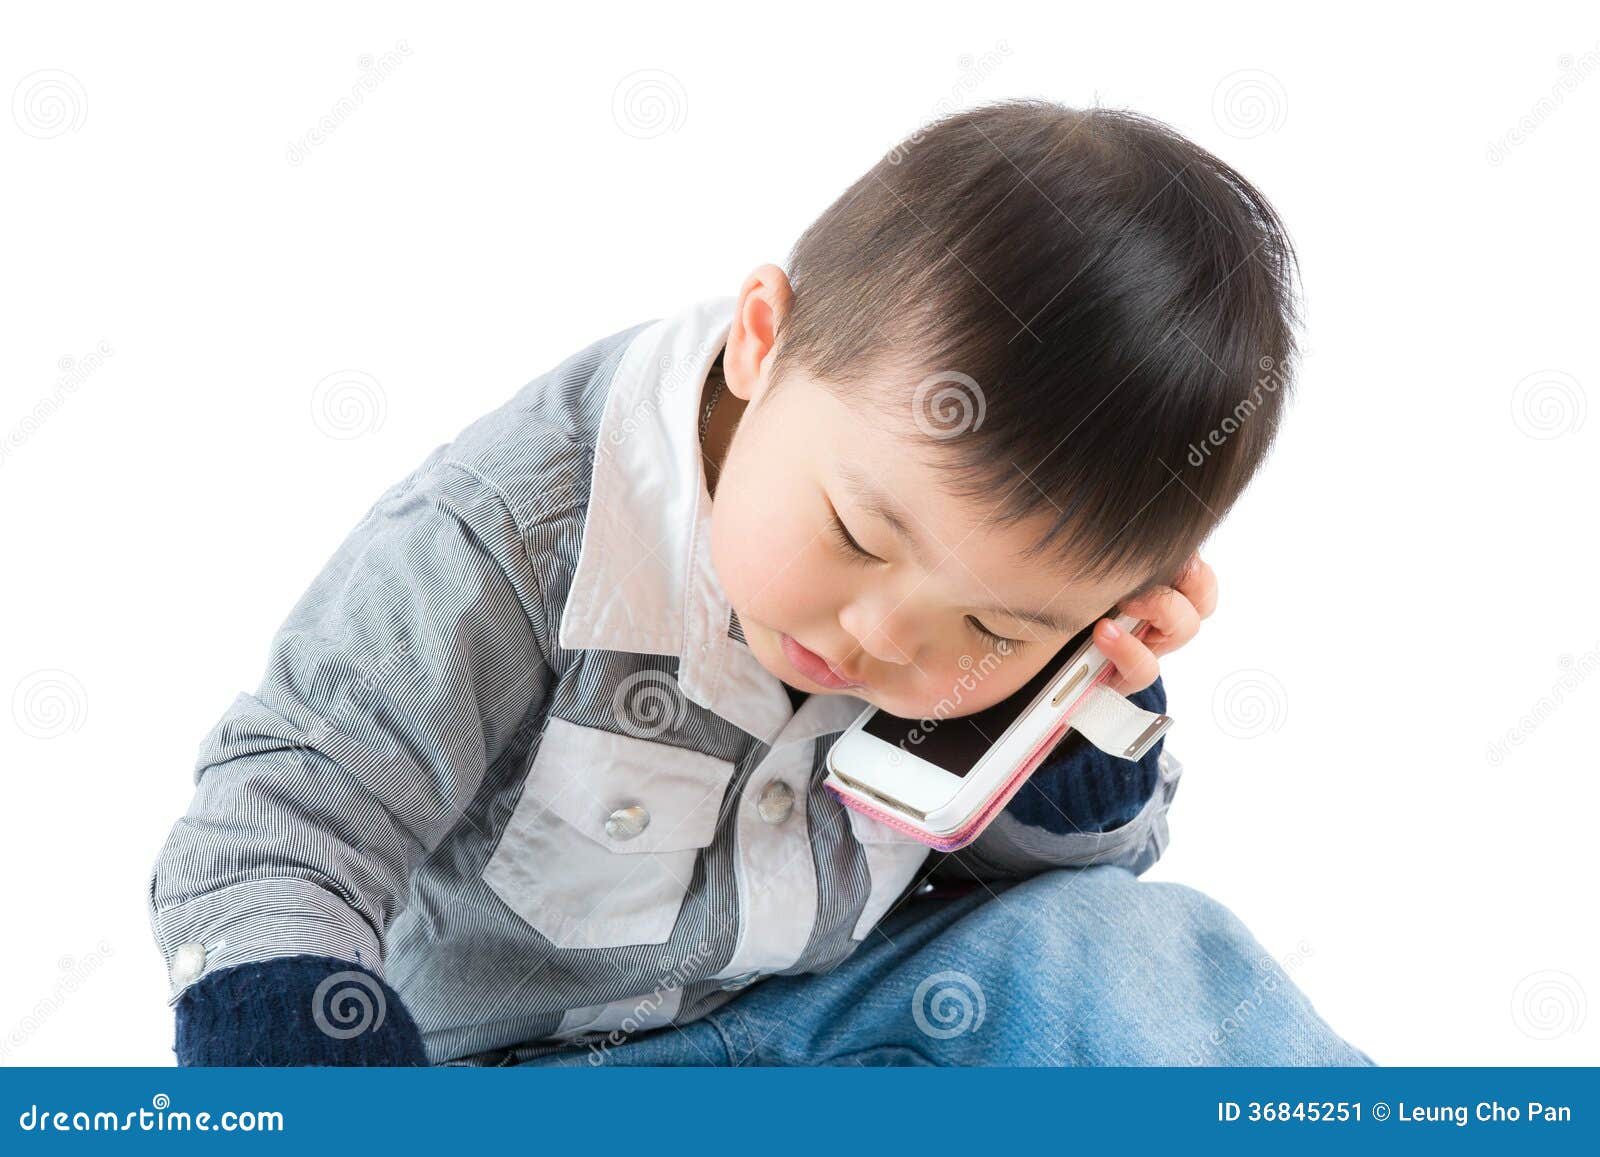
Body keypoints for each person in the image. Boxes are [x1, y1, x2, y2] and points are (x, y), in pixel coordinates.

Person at [150, 99, 1372, 1066]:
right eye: (859, 531)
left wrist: (1074, 710)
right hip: (528, 1072)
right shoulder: (507, 539)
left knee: (1130, 949)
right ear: (761, 339)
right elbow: (274, 837)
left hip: (844, 1022)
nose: (884, 634)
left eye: (996, 621)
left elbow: (1074, 880)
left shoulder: (1032, 622)